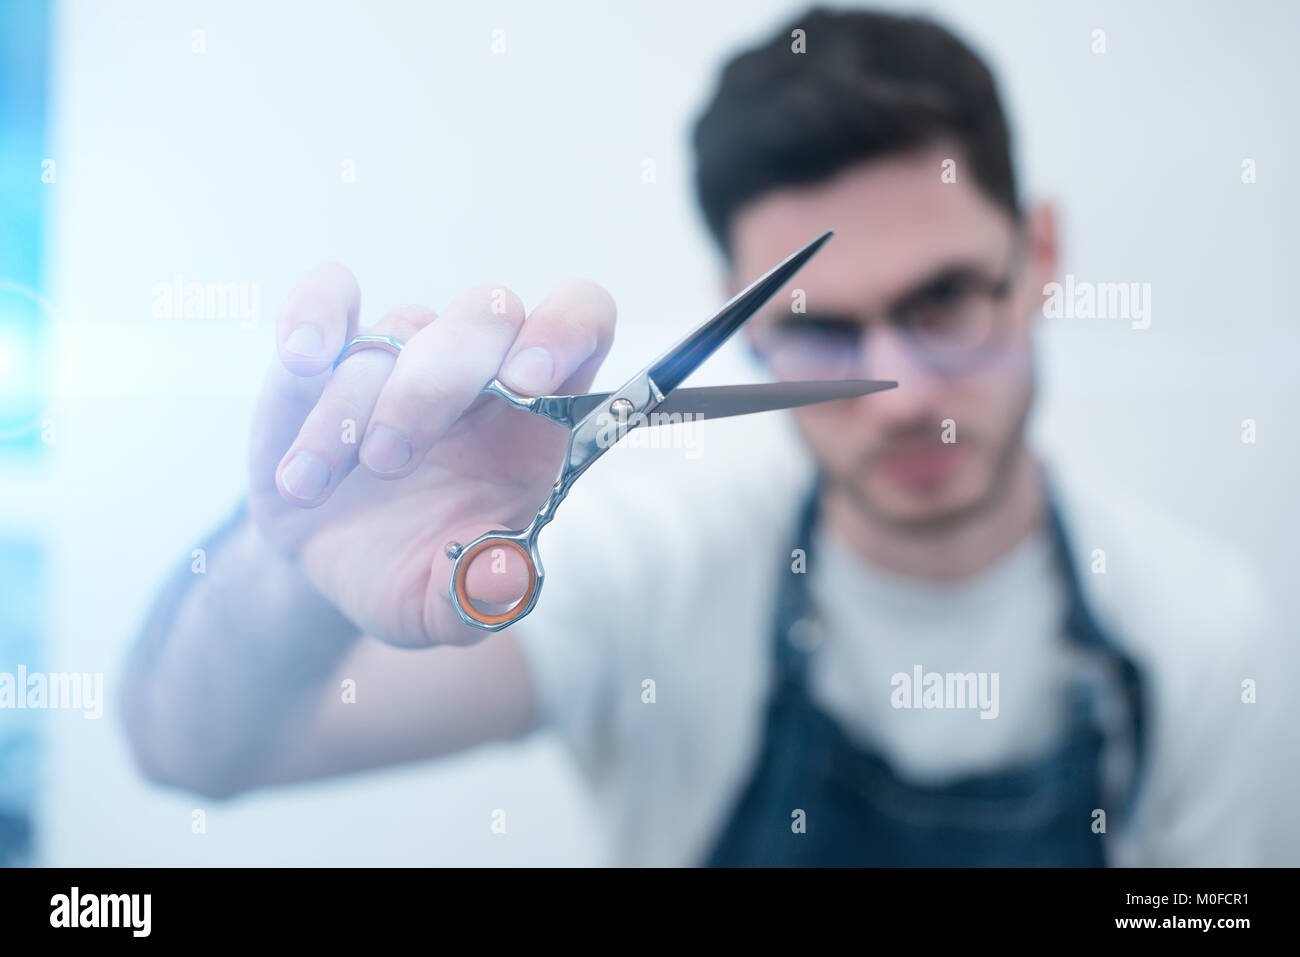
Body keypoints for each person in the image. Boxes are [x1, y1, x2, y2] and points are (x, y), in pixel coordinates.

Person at [121, 7, 1281, 866]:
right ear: (740, 313)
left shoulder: (1197, 633)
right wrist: (292, 568)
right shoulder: (650, 565)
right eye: (823, 332)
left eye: (942, 303)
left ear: (1036, 258)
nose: (896, 393)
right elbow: (194, 754)